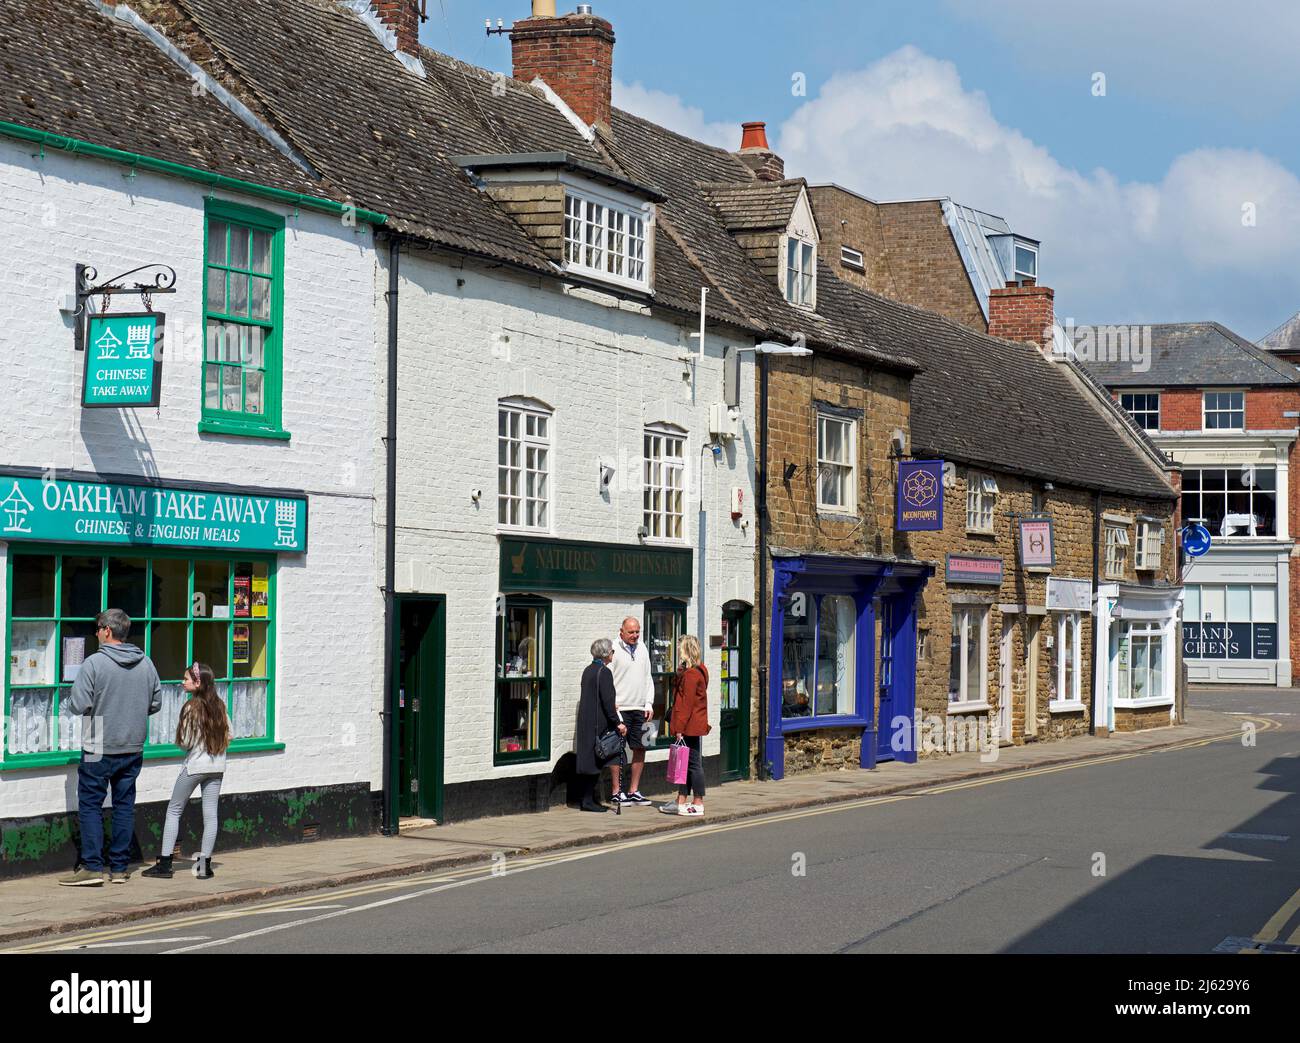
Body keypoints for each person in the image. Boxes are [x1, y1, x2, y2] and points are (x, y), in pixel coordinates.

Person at [59, 609, 162, 886]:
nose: (96, 634)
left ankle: (92, 867)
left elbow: (78, 705)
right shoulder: (146, 663)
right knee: (124, 806)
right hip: (133, 742)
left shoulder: (94, 664)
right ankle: (119, 868)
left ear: (106, 630)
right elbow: (155, 704)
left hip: (97, 742)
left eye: (97, 629)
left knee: (91, 805)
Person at [142, 661, 230, 879]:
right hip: (217, 766)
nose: (183, 683)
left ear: (198, 683)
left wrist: (184, 743)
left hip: (194, 766)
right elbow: (229, 735)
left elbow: (186, 743)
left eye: (186, 679)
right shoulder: (220, 705)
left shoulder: (191, 707)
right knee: (210, 815)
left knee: (174, 810)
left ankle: (164, 865)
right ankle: (204, 867)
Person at [574, 639, 627, 813]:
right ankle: (588, 801)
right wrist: (618, 723)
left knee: (591, 760)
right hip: (598, 725)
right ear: (606, 654)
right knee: (597, 760)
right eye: (612, 651)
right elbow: (607, 702)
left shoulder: (588, 670)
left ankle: (588, 799)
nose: (613, 654)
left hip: (586, 722)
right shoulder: (604, 672)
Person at [660, 634, 710, 817]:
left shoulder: (691, 675)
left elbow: (686, 704)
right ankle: (681, 799)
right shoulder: (697, 671)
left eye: (680, 648)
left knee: (694, 764)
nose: (677, 651)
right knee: (686, 764)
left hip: (689, 725)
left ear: (686, 650)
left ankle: (698, 802)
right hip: (693, 723)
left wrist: (679, 728)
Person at [608, 616, 654, 806]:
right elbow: (607, 679)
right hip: (621, 708)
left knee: (642, 747)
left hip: (642, 708)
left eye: (637, 632)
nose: (635, 635)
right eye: (631, 632)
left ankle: (634, 790)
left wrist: (649, 703)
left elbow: (648, 676)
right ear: (621, 632)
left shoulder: (642, 647)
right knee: (616, 750)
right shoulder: (613, 648)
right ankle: (616, 792)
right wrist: (612, 706)